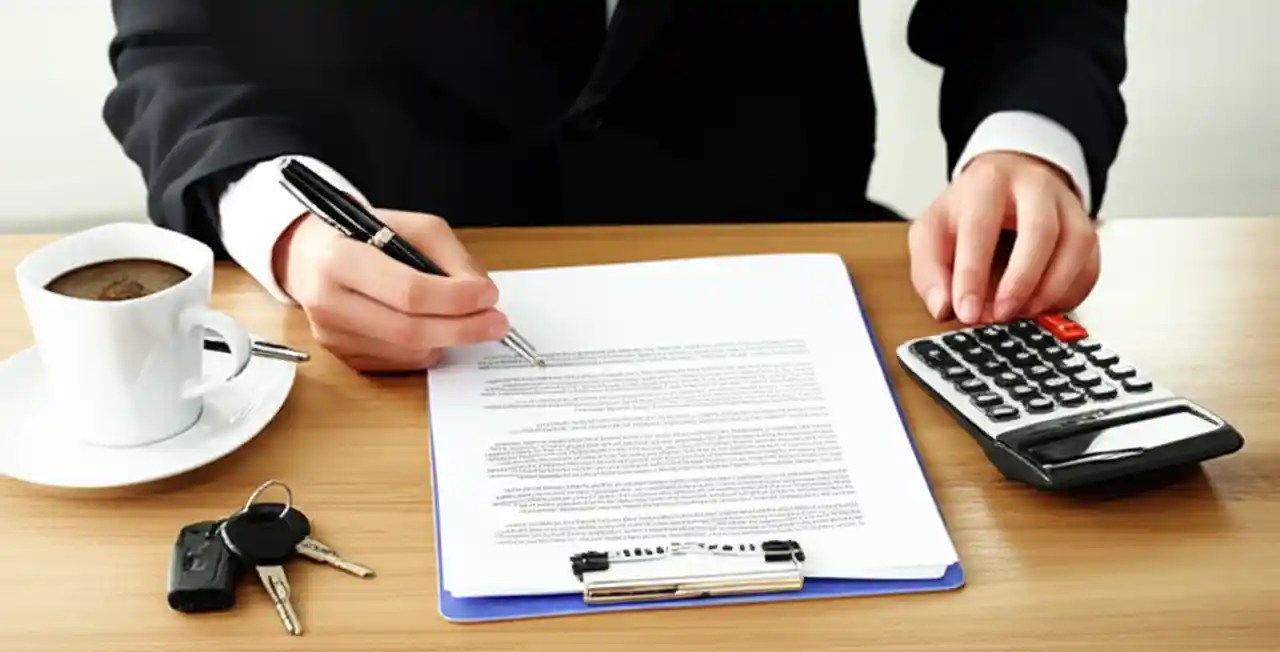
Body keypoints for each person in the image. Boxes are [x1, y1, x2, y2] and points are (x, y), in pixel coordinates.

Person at [103, 1, 1127, 372]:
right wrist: (290, 228)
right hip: (383, 325)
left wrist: (1027, 143)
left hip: (798, 278)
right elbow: (180, 52)